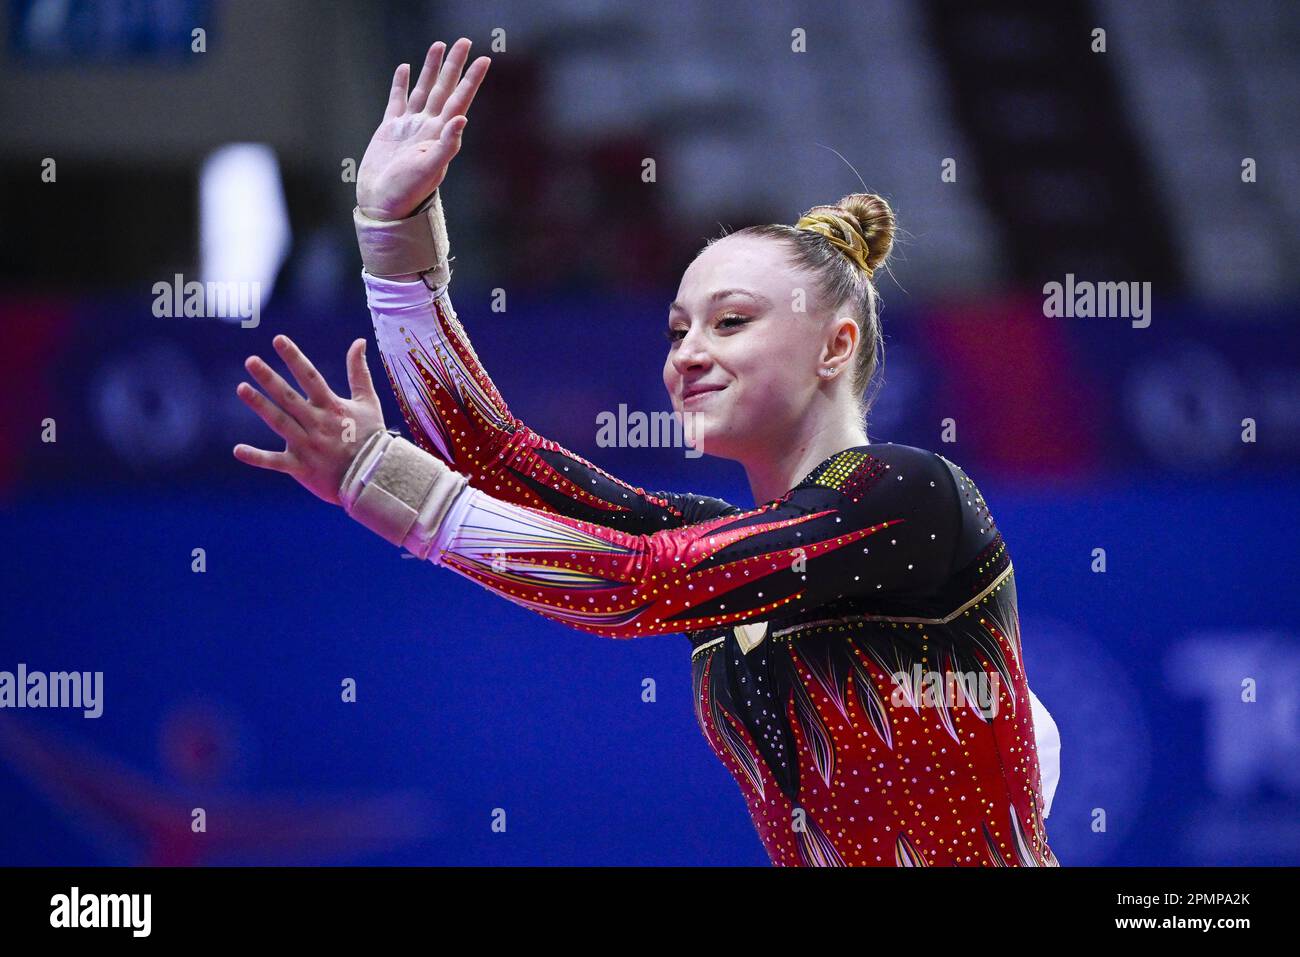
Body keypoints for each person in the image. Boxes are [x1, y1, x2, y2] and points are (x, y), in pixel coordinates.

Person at [234, 38, 1059, 866]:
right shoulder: (725, 543)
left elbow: (640, 580)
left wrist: (394, 483)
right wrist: (392, 239)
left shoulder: (908, 494)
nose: (688, 353)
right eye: (677, 330)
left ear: (834, 347)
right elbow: (497, 462)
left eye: (731, 321)